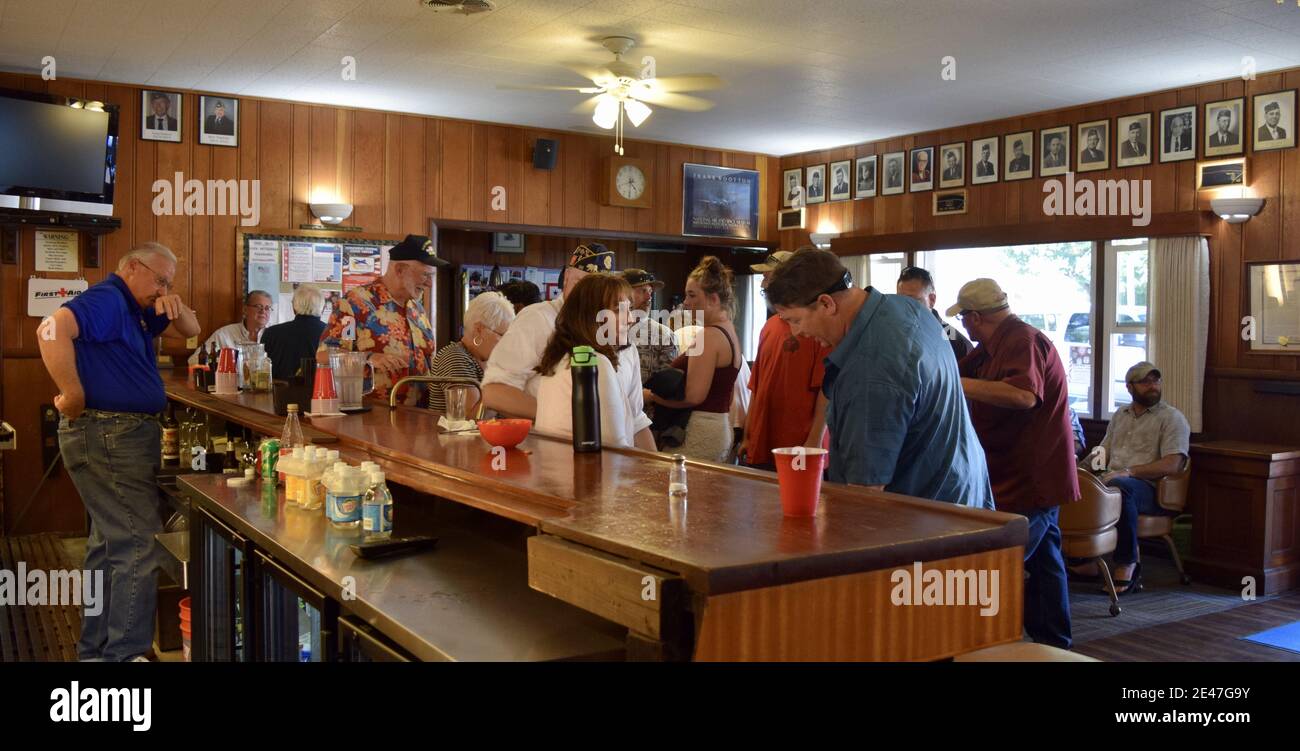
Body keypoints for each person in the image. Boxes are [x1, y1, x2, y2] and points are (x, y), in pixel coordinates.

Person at [37, 242, 201, 662]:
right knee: (139, 546)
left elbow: (190, 330)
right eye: (159, 278)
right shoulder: (110, 298)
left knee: (107, 547)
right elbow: (49, 330)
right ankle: (124, 656)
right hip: (110, 433)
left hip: (116, 434)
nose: (162, 287)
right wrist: (71, 393)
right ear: (132, 267)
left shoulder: (134, 307)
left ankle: (96, 651)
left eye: (169, 281)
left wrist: (173, 300)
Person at [764, 249, 992, 508]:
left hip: (924, 524)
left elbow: (865, 496)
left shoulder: (871, 367)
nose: (797, 333)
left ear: (827, 303)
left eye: (796, 320)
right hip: (965, 499)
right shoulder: (903, 307)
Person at [951, 278, 1078, 649]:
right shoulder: (991, 346)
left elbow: (1023, 395)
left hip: (1031, 476)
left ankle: (982, 642)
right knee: (1045, 564)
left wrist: (957, 385)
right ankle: (1052, 644)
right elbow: (955, 366)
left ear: (975, 317)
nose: (964, 327)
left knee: (1003, 562)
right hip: (1018, 472)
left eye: (964, 320)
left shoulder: (1022, 339)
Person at [1070, 362, 1189, 594]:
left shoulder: (1172, 418)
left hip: (1151, 489)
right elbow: (1103, 453)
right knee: (1076, 483)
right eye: (1145, 382)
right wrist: (1079, 470)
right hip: (1114, 480)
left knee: (1120, 487)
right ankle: (1082, 562)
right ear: (1129, 387)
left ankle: (1127, 563)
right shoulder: (1121, 415)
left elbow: (1173, 464)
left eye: (1156, 381)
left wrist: (1130, 472)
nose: (1153, 386)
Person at [483, 243, 618, 418]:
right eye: (581, 283)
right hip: (544, 441)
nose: (587, 295)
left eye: (598, 290)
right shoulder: (538, 319)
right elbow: (495, 392)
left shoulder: (612, 331)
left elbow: (635, 418)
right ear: (567, 278)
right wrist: (562, 419)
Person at [317, 233, 444, 404]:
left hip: (419, 417)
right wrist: (368, 357)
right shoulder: (356, 304)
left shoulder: (417, 310)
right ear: (399, 270)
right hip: (373, 417)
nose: (430, 284)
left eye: (432, 276)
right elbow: (326, 354)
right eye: (425, 275)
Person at [534, 275, 655, 450]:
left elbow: (635, 418)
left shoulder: (559, 358)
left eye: (629, 309)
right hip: (586, 473)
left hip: (557, 470)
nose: (630, 319)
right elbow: (614, 448)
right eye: (617, 310)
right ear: (590, 316)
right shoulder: (594, 364)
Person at [738, 250, 830, 471]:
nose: (763, 284)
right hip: (764, 442)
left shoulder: (816, 329)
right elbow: (756, 387)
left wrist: (813, 443)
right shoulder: (769, 326)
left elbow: (827, 392)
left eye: (768, 277)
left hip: (799, 445)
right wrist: (749, 435)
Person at [643, 257, 742, 463]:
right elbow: (728, 394)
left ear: (713, 299)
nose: (685, 302)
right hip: (720, 423)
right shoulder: (729, 330)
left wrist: (650, 396)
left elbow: (693, 397)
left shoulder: (708, 336)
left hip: (700, 428)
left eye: (692, 295)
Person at [427, 291, 514, 416]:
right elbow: (471, 418)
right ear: (479, 330)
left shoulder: (488, 361)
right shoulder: (454, 357)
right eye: (503, 335)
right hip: (455, 434)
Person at [895, 266, 973, 361]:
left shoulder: (954, 341)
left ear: (932, 300)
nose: (904, 307)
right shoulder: (895, 332)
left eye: (913, 301)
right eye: (900, 300)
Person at [621, 268, 678, 389]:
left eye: (650, 291)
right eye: (642, 291)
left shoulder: (665, 336)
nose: (649, 297)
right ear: (624, 294)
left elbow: (671, 385)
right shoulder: (607, 331)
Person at [260, 283, 327, 380]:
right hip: (320, 393)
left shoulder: (271, 333)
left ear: (294, 308)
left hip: (278, 394)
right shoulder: (331, 335)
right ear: (323, 309)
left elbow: (262, 373)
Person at [187, 289, 272, 364]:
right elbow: (194, 360)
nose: (263, 311)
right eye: (258, 306)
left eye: (267, 308)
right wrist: (226, 363)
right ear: (245, 310)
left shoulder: (275, 336)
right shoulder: (224, 334)